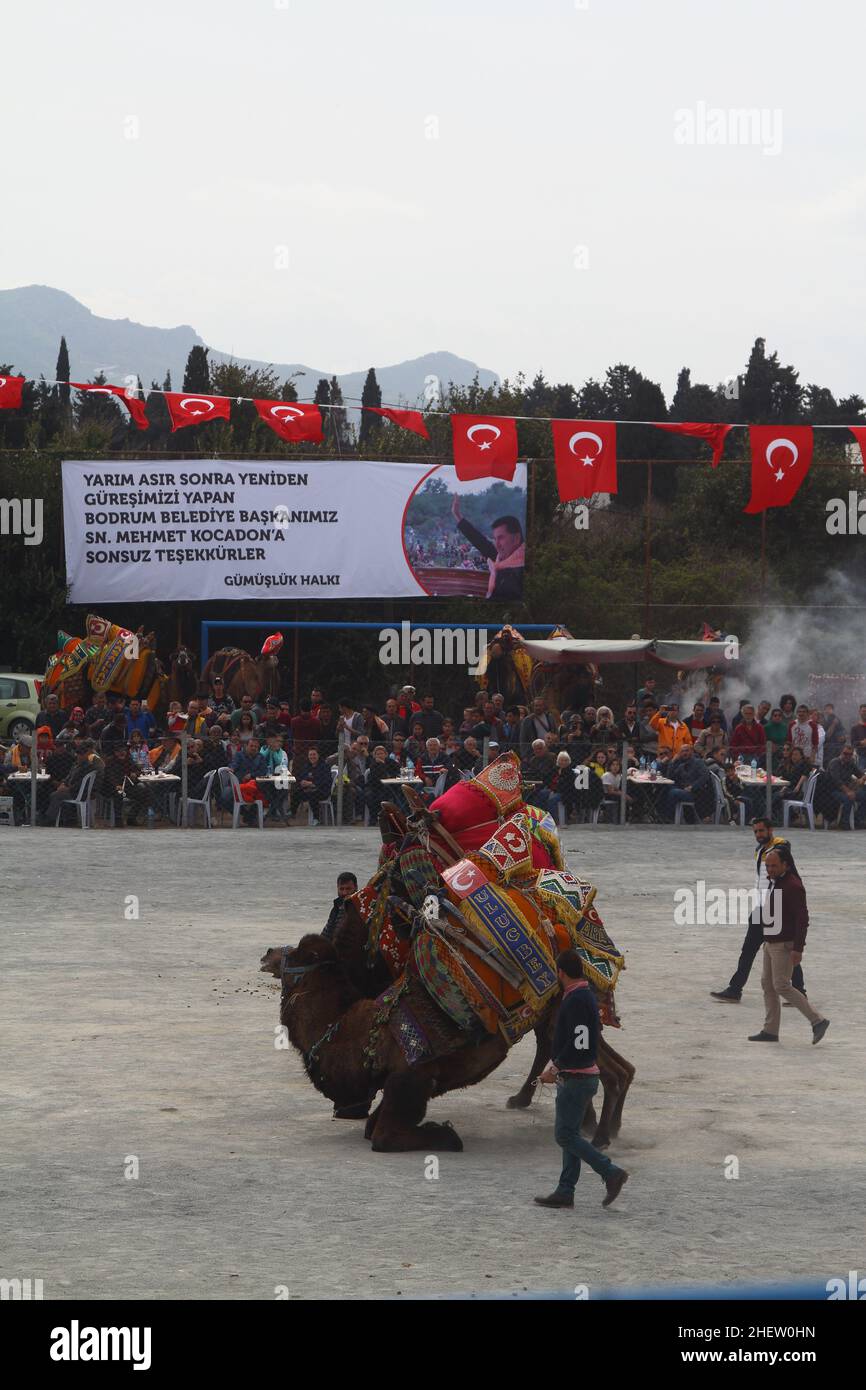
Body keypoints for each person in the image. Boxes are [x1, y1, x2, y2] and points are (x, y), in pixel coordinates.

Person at [534, 949, 629, 1210]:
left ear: (560, 973)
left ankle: (611, 1172)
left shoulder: (575, 1000)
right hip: (583, 1075)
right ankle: (565, 1191)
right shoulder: (584, 997)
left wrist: (554, 1068)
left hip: (575, 1078)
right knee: (571, 1134)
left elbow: (578, 1043)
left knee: (565, 1136)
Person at [711, 818, 805, 1002]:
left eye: (762, 831)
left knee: (781, 951)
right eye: (755, 832)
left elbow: (783, 849)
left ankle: (736, 989)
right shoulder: (760, 851)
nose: (758, 835)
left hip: (775, 910)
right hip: (761, 909)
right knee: (749, 950)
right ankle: (735, 989)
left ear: (771, 830)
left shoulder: (780, 846)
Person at [748, 846, 829, 1044]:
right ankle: (770, 1030)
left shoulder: (793, 886)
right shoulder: (776, 881)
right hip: (771, 941)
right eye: (767, 866)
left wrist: (798, 948)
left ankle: (817, 1020)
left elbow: (803, 919)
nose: (770, 869)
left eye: (774, 866)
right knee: (767, 985)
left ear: (786, 864)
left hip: (783, 944)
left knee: (781, 985)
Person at [451, 496, 525, 599]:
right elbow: (480, 541)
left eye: (501, 538)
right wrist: (457, 515)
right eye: (495, 539)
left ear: (516, 538)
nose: (497, 544)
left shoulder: (522, 572)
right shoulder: (500, 559)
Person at [661, 744, 712, 822]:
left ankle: (668, 818)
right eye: (682, 751)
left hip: (695, 793)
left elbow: (705, 776)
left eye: (687, 750)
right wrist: (672, 762)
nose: (684, 753)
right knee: (664, 788)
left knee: (674, 792)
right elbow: (670, 777)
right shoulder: (680, 764)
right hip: (683, 790)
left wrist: (692, 787)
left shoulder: (698, 762)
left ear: (692, 751)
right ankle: (660, 815)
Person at [827, 744, 866, 827]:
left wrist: (862, 779)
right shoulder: (834, 762)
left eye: (850, 754)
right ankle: (844, 823)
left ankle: (858, 819)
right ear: (841, 752)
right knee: (848, 798)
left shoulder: (851, 763)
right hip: (833, 790)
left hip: (847, 790)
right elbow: (837, 781)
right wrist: (848, 792)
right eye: (845, 753)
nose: (847, 756)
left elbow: (861, 774)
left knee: (864, 795)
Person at [291, 746, 332, 824]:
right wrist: (302, 782)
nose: (312, 757)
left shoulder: (324, 766)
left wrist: (313, 784)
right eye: (310, 755)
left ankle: (316, 819)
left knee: (312, 795)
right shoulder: (306, 766)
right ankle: (292, 814)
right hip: (308, 789)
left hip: (322, 790)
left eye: (314, 754)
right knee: (295, 793)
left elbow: (326, 780)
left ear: (318, 755)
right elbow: (301, 777)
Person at [322, 872, 358, 941]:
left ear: (355, 888)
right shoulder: (337, 906)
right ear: (337, 888)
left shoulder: (359, 908)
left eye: (348, 889)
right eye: (341, 889)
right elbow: (327, 932)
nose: (344, 893)